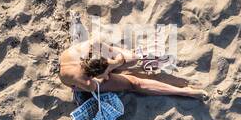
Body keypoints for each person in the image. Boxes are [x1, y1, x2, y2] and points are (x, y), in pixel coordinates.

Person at [58, 37, 206, 99]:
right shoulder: (84, 81)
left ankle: (141, 56)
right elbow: (102, 79)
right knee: (133, 82)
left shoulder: (93, 44)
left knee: (131, 69)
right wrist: (110, 67)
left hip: (96, 63)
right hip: (78, 84)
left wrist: (113, 64)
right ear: (92, 75)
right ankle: (184, 92)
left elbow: (114, 58)